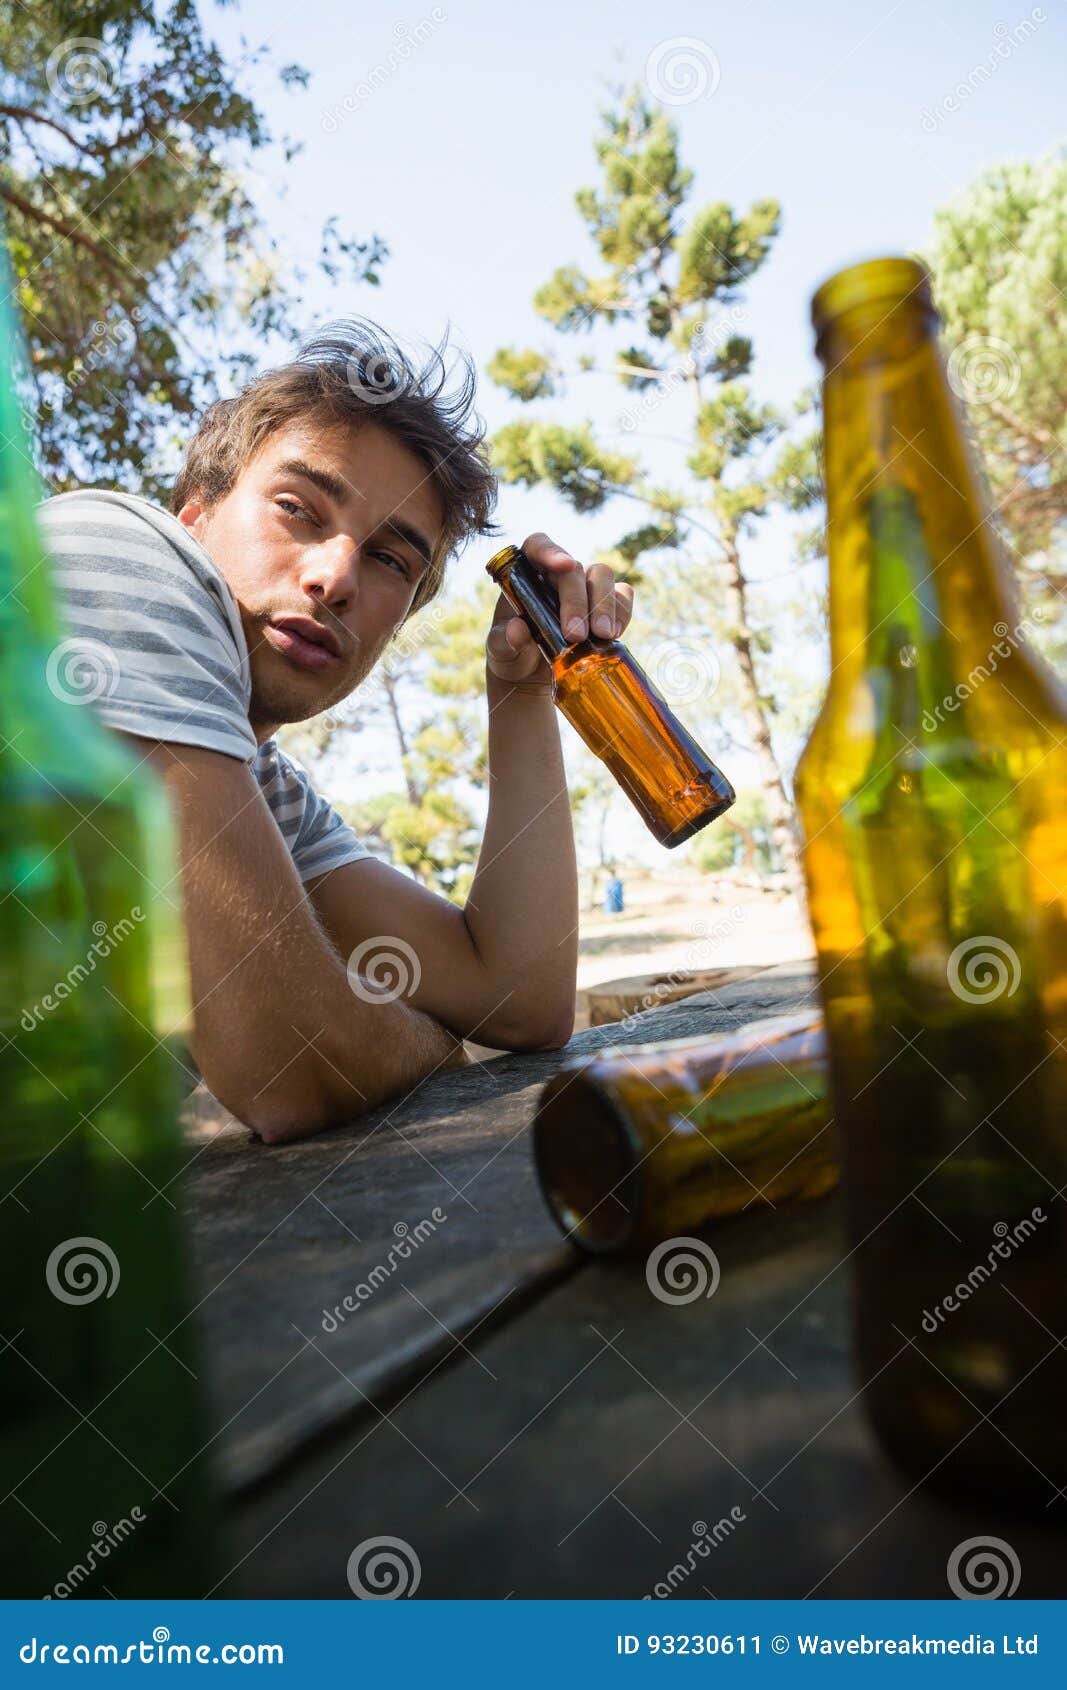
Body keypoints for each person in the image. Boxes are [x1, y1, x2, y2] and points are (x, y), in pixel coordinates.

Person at [38, 320, 635, 1143]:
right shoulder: (100, 547)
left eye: (392, 560)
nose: (336, 575)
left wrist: (522, 691)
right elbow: (293, 1067)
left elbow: (522, 1000)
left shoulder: (265, 795)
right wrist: (433, 1049)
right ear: (194, 519)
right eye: (297, 509)